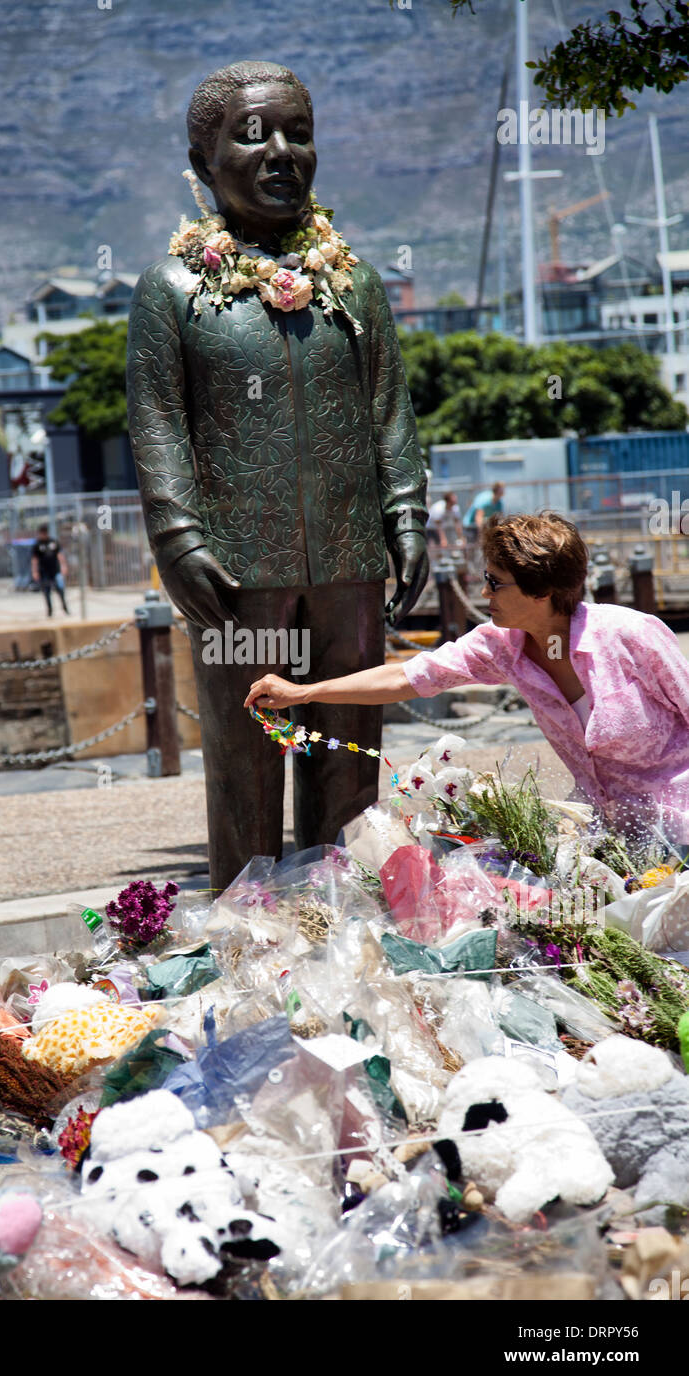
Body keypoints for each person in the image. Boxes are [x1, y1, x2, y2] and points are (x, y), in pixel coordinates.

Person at [126, 61, 429, 893]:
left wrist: (405, 510)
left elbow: (388, 407)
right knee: (248, 764)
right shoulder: (172, 290)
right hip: (237, 573)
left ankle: (348, 926)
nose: (281, 151)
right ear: (204, 158)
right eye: (253, 135)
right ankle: (247, 936)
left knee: (348, 759)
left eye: (298, 132)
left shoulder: (353, 283)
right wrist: (179, 538)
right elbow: (157, 425)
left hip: (348, 565)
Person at [245, 511, 689, 849]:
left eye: (494, 583)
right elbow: (407, 675)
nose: (483, 594)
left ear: (540, 590)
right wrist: (304, 692)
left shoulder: (631, 635)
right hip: (608, 840)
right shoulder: (501, 646)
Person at [31, 524, 70, 617]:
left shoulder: (53, 542)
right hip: (44, 572)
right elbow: (34, 559)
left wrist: (63, 566)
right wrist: (35, 571)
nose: (43, 535)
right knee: (46, 592)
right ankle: (50, 611)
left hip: (55, 571)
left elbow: (60, 555)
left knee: (60, 590)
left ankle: (65, 608)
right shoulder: (37, 545)